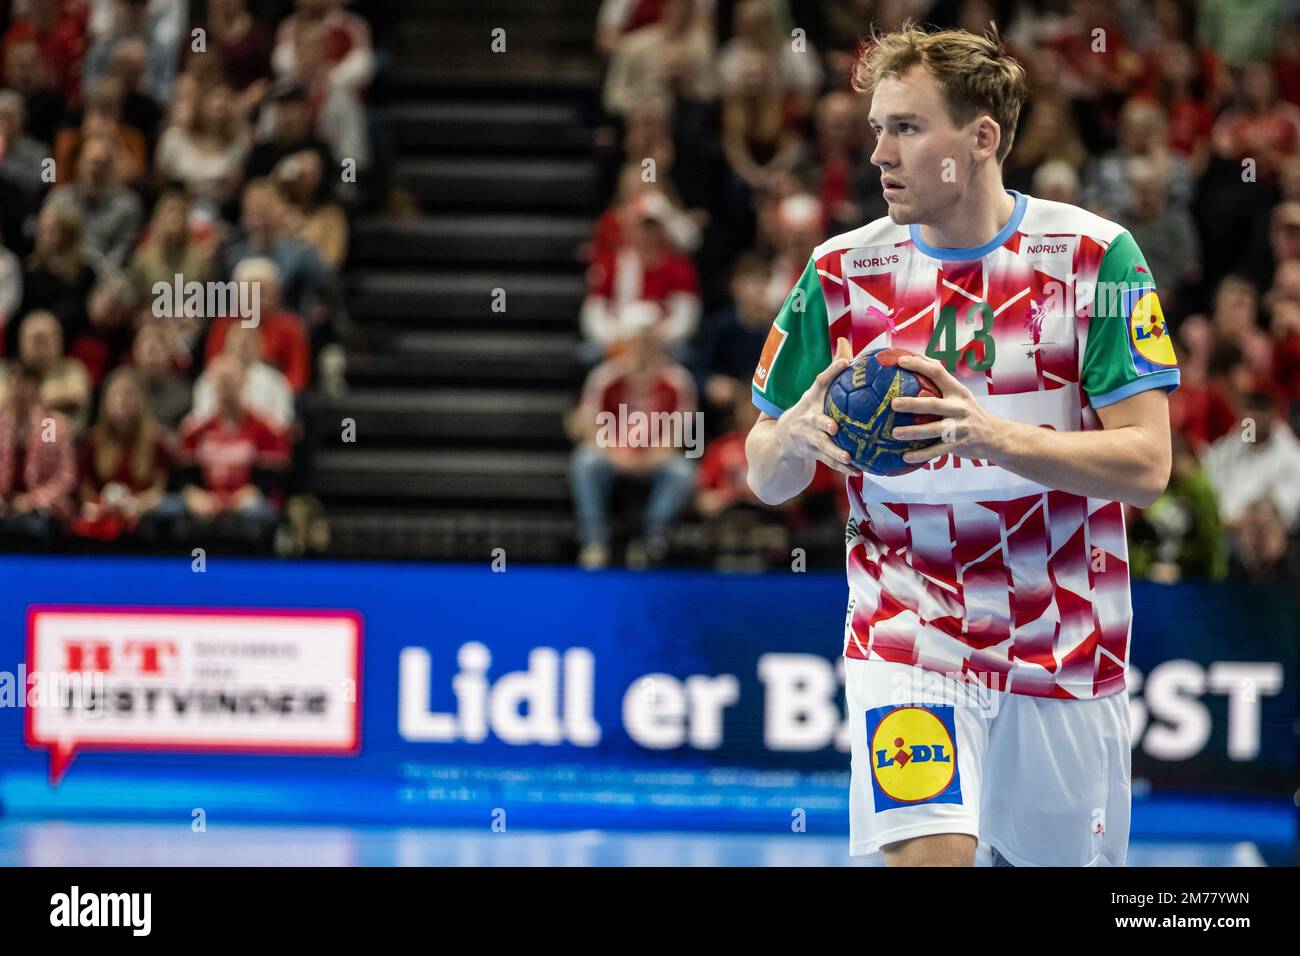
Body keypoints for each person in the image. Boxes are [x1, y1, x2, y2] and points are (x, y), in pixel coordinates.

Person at [745, 24, 1178, 868]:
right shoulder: (840, 275)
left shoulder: (1093, 258)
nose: (878, 152)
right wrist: (791, 437)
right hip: (906, 627)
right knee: (927, 856)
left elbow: (1147, 467)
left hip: (1064, 642)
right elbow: (763, 469)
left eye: (905, 127)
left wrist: (991, 436)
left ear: (982, 138)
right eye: (877, 128)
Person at [568, 314, 698, 570]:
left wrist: (651, 456)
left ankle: (651, 542)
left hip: (656, 456)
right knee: (584, 462)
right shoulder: (604, 377)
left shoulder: (678, 380)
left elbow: (681, 432)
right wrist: (618, 454)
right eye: (636, 342)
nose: (642, 349)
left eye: (648, 342)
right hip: (613, 453)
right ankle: (595, 542)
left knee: (684, 471)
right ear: (624, 344)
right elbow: (590, 428)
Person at [0, 363, 76, 545]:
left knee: (38, 527)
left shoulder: (48, 425)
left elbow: (63, 474)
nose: (20, 391)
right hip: (4, 504)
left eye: (26, 385)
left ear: (37, 389)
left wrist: (32, 500)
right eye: (15, 383)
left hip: (39, 506)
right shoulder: (2, 423)